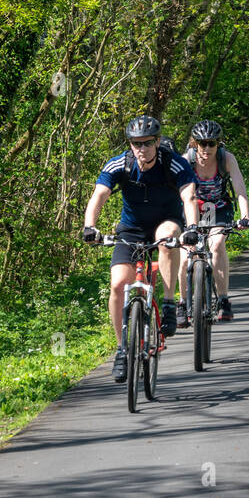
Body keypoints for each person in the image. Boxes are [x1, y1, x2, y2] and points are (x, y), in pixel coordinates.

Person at [82, 115, 199, 381]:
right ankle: (122, 349)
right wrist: (90, 227)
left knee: (168, 237)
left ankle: (169, 303)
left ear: (157, 142)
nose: (141, 149)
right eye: (136, 143)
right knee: (117, 284)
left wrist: (191, 227)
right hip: (131, 230)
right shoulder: (119, 164)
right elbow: (98, 194)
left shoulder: (174, 163)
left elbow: (189, 195)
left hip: (166, 221)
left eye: (147, 143)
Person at [179, 119, 249, 322]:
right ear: (195, 143)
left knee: (217, 244)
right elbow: (176, 193)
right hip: (192, 208)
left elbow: (240, 189)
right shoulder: (186, 160)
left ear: (218, 144)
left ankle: (223, 300)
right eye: (202, 143)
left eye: (212, 143)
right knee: (186, 253)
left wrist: (245, 217)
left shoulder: (226, 159)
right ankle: (183, 303)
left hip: (218, 208)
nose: (207, 148)